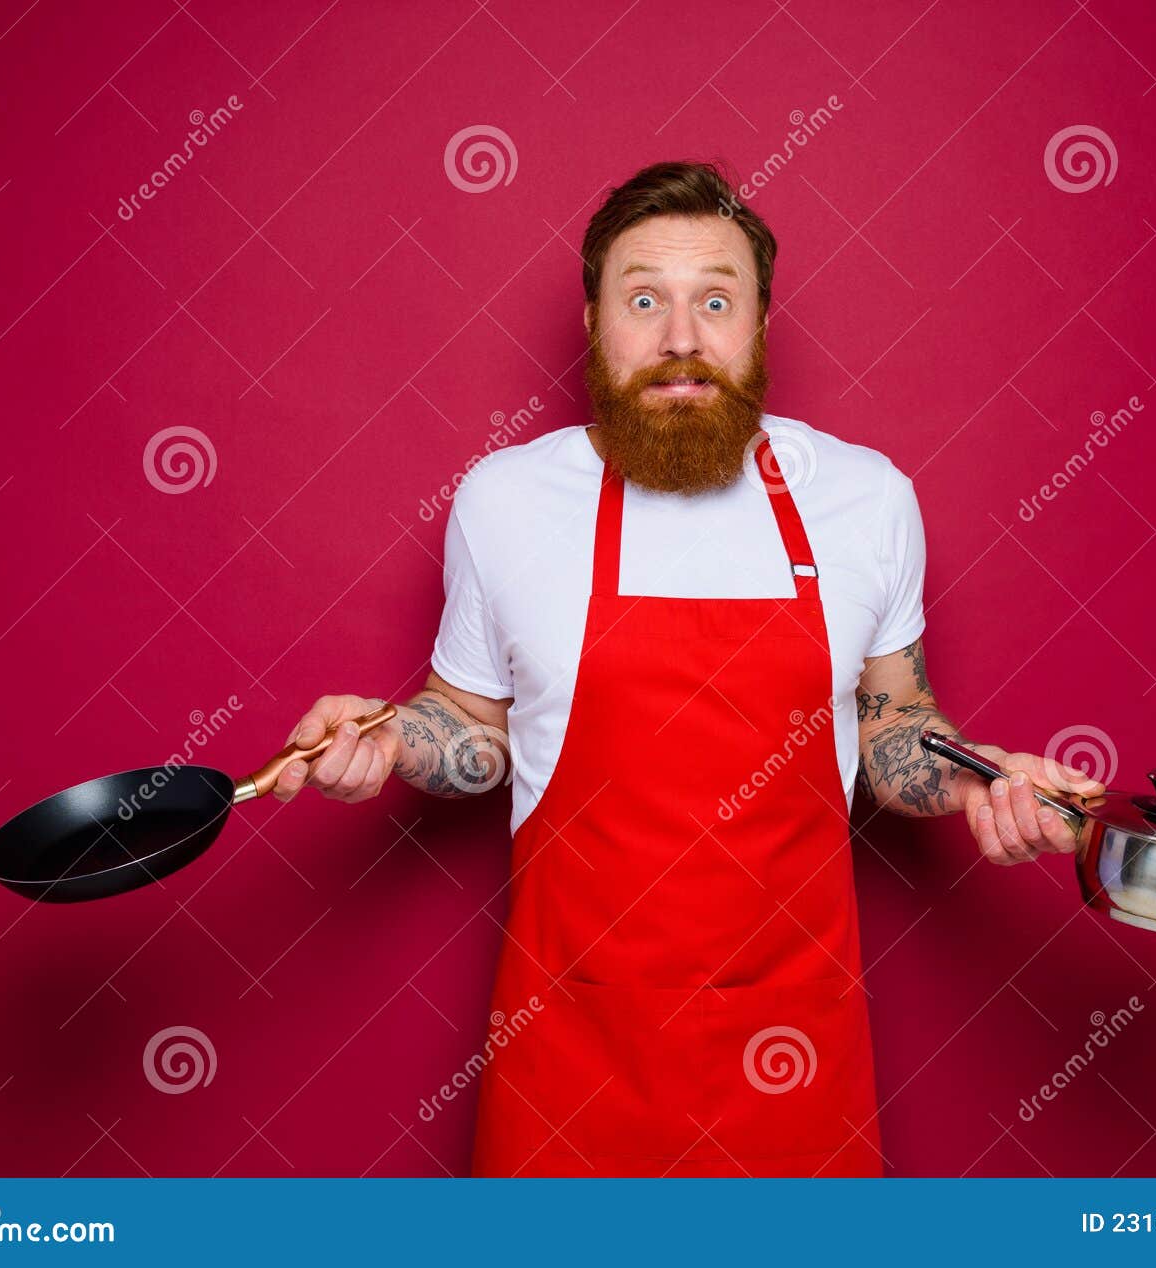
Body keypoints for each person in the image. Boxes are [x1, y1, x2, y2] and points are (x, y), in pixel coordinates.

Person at [273, 161, 1104, 1177]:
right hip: (569, 1051)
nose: (680, 337)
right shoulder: (505, 500)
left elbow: (891, 730)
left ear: (758, 322)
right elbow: (476, 728)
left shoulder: (864, 498)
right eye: (643, 300)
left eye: (715, 300)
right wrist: (396, 737)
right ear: (592, 320)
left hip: (790, 1052)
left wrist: (984, 777)